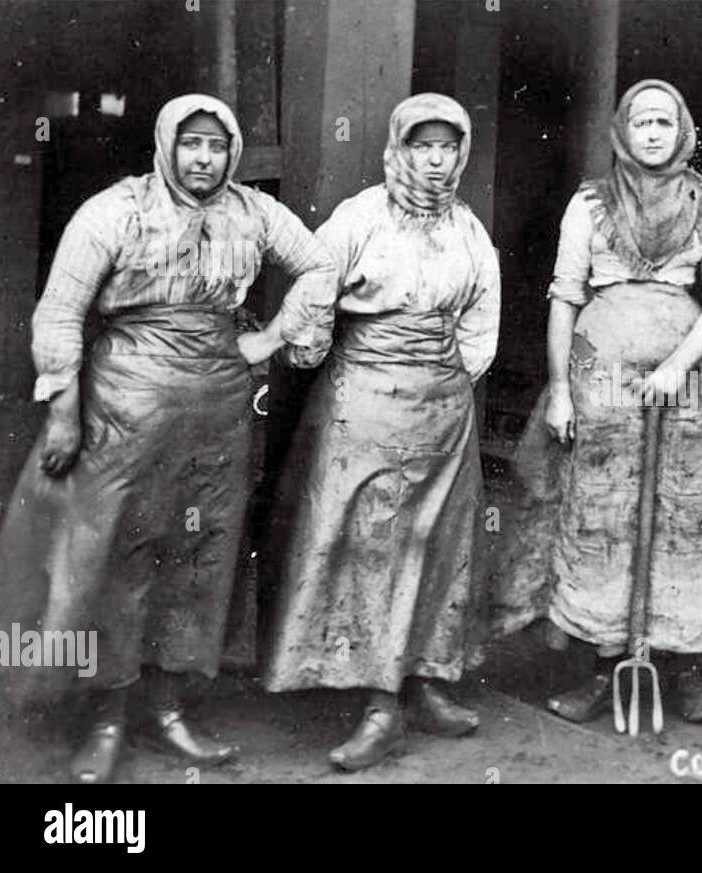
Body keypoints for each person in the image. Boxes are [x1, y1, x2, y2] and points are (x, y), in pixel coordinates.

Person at [0, 94, 336, 783]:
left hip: (218, 408)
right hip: (125, 408)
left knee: (199, 555)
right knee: (116, 553)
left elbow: (321, 266)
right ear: (166, 145)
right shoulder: (114, 211)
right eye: (191, 144)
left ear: (231, 151)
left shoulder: (254, 213)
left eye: (216, 145)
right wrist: (63, 410)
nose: (204, 159)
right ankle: (107, 716)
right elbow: (61, 310)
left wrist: (267, 339)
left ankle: (170, 707)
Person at [494, 79, 702, 724]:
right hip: (601, 378)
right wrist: (560, 392)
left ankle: (683, 667)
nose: (651, 133)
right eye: (640, 122)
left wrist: (675, 366)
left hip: (688, 382)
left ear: (682, 131)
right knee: (600, 516)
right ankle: (597, 668)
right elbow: (564, 294)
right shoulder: (589, 204)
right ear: (622, 130)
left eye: (663, 122)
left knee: (685, 519)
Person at [263, 94, 500, 772]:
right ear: (399, 148)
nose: (435, 159)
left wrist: (445, 374)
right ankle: (378, 704)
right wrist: (314, 355)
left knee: (440, 544)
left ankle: (424, 679)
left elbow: (482, 322)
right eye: (422, 145)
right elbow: (313, 296)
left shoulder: (470, 231)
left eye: (447, 147)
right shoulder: (359, 218)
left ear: (461, 153)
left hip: (444, 408)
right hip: (363, 403)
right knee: (372, 545)